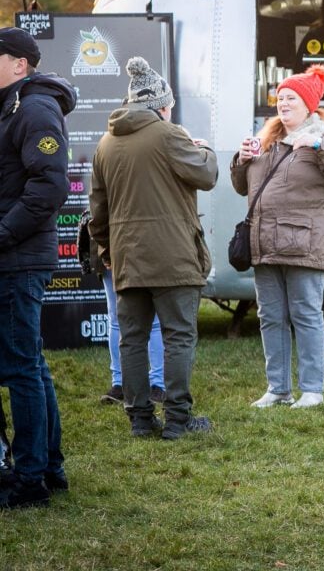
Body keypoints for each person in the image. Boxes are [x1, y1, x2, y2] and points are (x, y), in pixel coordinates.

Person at [89, 57, 219, 441]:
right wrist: (206, 148)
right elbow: (207, 174)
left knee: (132, 339)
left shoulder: (106, 143)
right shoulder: (169, 134)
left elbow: (98, 212)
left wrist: (108, 248)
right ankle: (178, 420)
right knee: (179, 335)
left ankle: (140, 420)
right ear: (162, 104)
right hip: (174, 257)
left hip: (127, 259)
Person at [231, 65, 324, 409]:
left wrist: (319, 145)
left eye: (291, 98)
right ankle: (277, 389)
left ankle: (312, 390)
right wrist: (241, 160)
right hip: (265, 243)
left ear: (309, 105)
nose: (283, 103)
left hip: (306, 243)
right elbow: (242, 186)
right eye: (281, 98)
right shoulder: (266, 140)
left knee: (305, 313)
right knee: (270, 316)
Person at [0, 27, 73, 508]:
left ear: (19, 64)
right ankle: (50, 465)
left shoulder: (34, 108)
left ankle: (30, 481)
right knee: (30, 364)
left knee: (19, 367)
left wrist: (1, 235)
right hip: (13, 257)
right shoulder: (12, 106)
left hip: (17, 259)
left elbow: (48, 189)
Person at [100, 267, 165, 406]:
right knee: (116, 319)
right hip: (111, 258)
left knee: (153, 320)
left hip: (142, 256)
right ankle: (119, 383)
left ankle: (157, 384)